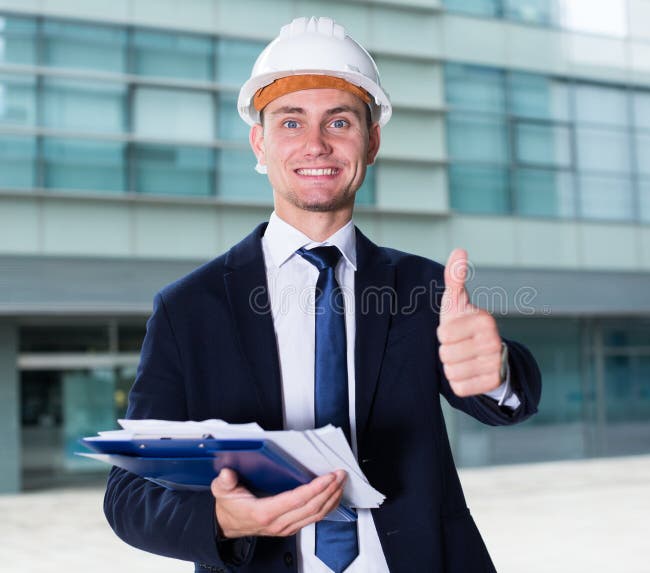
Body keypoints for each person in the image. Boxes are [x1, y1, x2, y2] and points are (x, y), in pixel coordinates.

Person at [104, 16, 541, 573]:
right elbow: (129, 493)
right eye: (291, 122)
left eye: (339, 121)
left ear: (371, 141)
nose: (316, 144)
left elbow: (506, 399)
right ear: (259, 143)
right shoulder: (187, 309)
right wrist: (221, 520)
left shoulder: (424, 288)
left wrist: (496, 370)